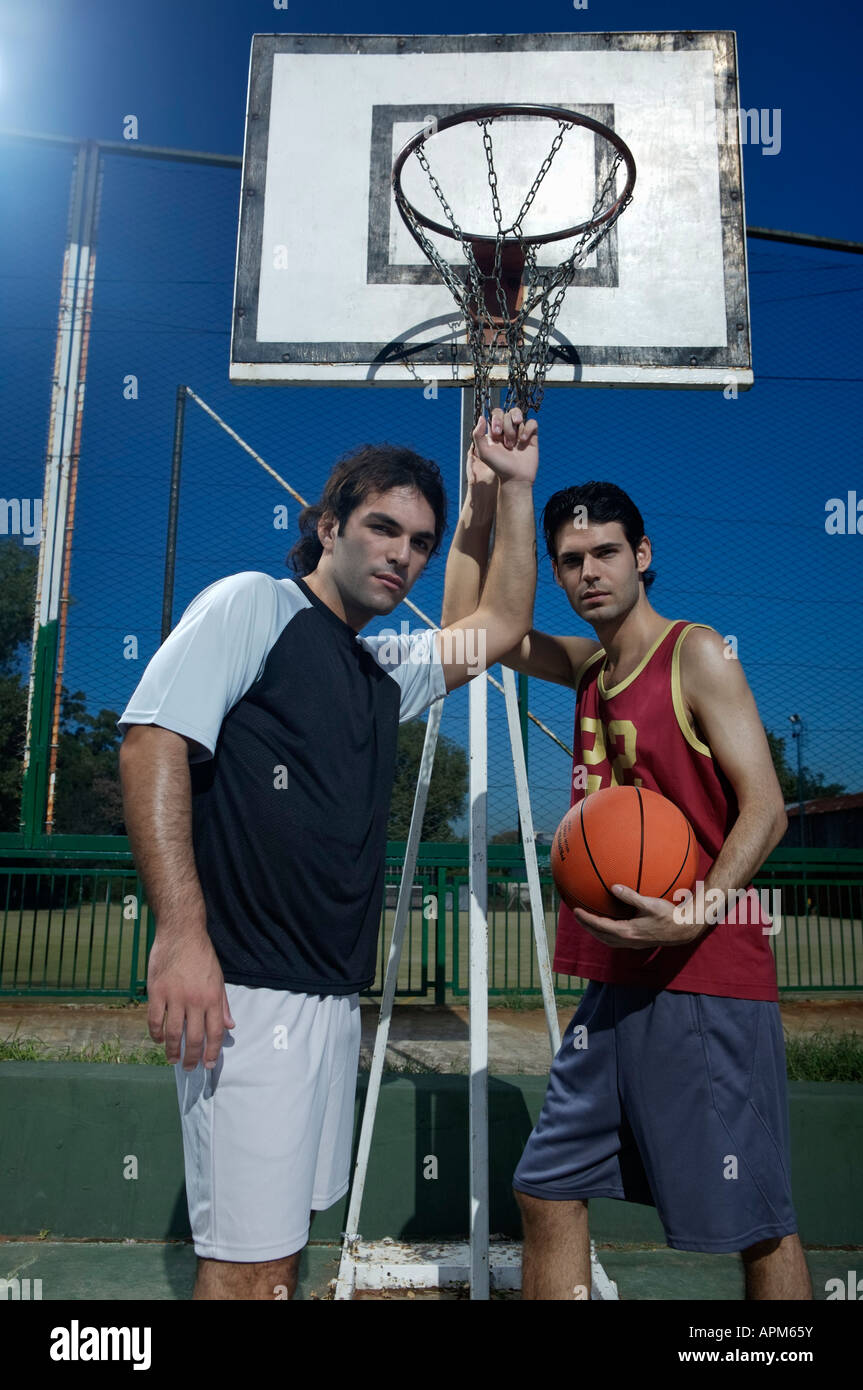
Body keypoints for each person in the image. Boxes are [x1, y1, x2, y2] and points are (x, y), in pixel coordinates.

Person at [118, 411, 537, 1300]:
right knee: (244, 1265)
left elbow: (498, 623)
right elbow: (151, 742)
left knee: (283, 1254)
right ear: (327, 526)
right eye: (382, 527)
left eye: (420, 542)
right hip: (244, 991)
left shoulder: (381, 669)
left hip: (329, 1001)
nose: (402, 554)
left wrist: (509, 490)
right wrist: (182, 935)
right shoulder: (252, 605)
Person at [441, 441, 812, 1301]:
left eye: (604, 553)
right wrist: (490, 501)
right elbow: (468, 627)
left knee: (756, 1222)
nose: (586, 574)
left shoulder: (697, 655)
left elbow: (767, 805)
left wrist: (696, 910)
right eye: (569, 561)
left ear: (640, 556)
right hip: (613, 983)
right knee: (544, 1187)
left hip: (700, 975)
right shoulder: (586, 667)